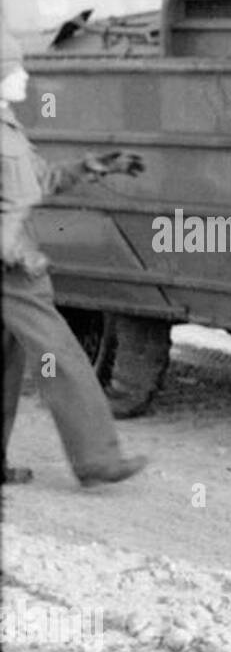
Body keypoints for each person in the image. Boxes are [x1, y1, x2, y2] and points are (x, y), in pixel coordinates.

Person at [1, 29, 148, 488]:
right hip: (11, 268)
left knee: (7, 362)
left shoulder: (7, 127)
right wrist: (15, 251)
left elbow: (39, 181)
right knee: (61, 355)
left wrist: (91, 166)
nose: (24, 76)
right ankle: (97, 459)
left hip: (13, 257)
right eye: (12, 69)